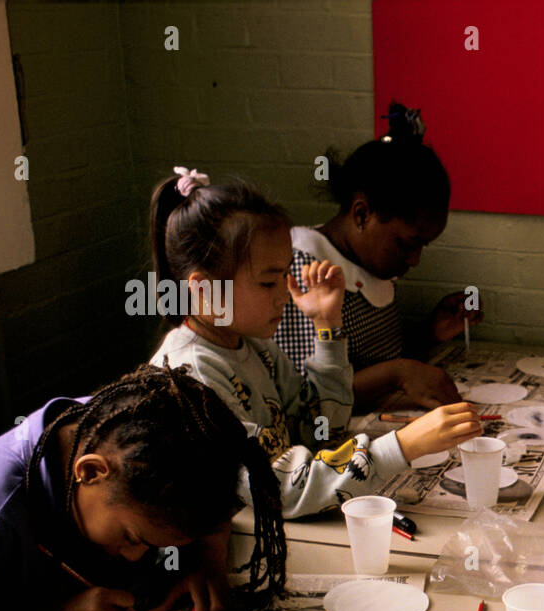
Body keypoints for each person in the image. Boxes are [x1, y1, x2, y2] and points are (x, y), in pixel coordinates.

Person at [146, 168, 481, 518]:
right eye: (267, 283)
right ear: (205, 290)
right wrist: (401, 447)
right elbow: (281, 488)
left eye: (284, 277)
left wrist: (326, 328)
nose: (284, 297)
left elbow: (321, 427)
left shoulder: (254, 347)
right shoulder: (190, 375)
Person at [0, 363, 286, 611]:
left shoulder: (132, 432)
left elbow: (210, 504)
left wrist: (203, 558)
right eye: (133, 538)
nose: (136, 557)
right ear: (91, 472)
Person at [275, 102, 479, 410]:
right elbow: (310, 398)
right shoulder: (305, 268)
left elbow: (375, 355)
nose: (415, 260)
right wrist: (398, 374)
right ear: (362, 214)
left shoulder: (371, 260)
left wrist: (429, 333)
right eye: (407, 243)